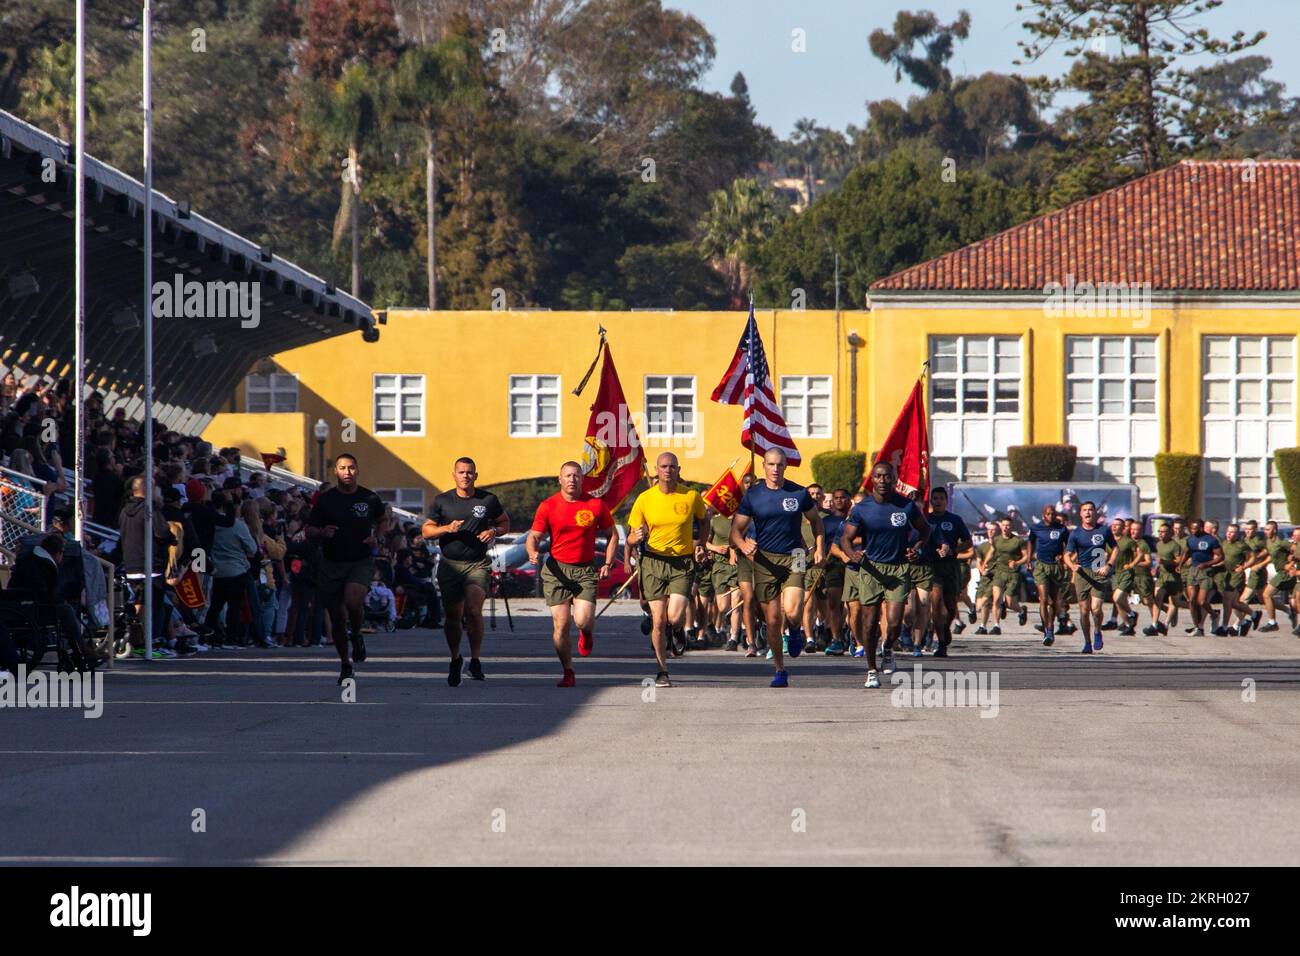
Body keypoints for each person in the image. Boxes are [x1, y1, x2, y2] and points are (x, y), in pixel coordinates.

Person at [730, 448, 824, 688]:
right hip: (764, 559)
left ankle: (795, 629)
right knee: (772, 620)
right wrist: (743, 544)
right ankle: (780, 670)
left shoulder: (799, 492)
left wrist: (820, 547)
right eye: (771, 464)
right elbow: (735, 531)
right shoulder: (753, 495)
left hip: (796, 555)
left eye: (779, 465)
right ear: (764, 466)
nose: (775, 469)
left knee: (792, 612)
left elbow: (816, 522)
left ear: (785, 466)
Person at [839, 461, 929, 689]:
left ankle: (888, 647)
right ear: (873, 479)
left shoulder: (906, 506)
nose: (882, 481)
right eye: (878, 476)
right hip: (871, 569)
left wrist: (916, 548)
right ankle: (871, 670)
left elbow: (926, 530)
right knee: (869, 624)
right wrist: (852, 554)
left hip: (898, 569)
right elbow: (845, 539)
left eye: (887, 477)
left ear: (894, 479)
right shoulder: (862, 509)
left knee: (895, 622)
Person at [525, 461, 617, 687]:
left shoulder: (595, 504)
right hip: (556, 570)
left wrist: (607, 562)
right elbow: (533, 536)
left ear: (582, 479)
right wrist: (532, 551)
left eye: (576, 475)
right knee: (561, 626)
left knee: (583, 620)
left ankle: (586, 633)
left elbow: (612, 534)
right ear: (560, 479)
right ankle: (568, 671)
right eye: (567, 475)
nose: (572, 479)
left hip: (585, 570)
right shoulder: (548, 505)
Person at [422, 457, 509, 686]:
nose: (465, 476)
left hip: (477, 563)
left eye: (470, 472)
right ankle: (455, 658)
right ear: (454, 475)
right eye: (461, 472)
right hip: (450, 564)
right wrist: (446, 528)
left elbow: (504, 523)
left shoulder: (488, 499)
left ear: (476, 476)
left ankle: (476, 659)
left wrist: (493, 531)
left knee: (473, 610)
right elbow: (426, 531)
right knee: (452, 618)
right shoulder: (442, 500)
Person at [627, 452, 708, 688]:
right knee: (659, 621)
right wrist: (636, 536)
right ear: (656, 469)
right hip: (653, 562)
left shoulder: (691, 496)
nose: (668, 470)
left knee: (674, 616)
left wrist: (700, 545)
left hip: (681, 563)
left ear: (678, 469)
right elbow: (631, 536)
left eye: (672, 466)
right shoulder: (644, 499)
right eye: (663, 466)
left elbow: (704, 521)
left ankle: (677, 629)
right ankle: (662, 670)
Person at [306, 454, 384, 684]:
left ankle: (357, 633)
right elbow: (309, 529)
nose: (347, 472)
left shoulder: (369, 497)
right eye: (342, 468)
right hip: (331, 563)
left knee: (352, 600)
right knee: (337, 619)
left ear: (357, 470)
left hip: (360, 560)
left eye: (351, 467)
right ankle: (345, 664)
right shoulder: (325, 500)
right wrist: (322, 533)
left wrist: (376, 537)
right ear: (336, 472)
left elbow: (383, 520)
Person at [920, 486, 971, 657]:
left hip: (950, 566)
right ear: (931, 500)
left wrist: (954, 550)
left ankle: (945, 628)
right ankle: (941, 642)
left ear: (946, 501)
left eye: (941, 498)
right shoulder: (925, 519)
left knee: (950, 607)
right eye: (935, 498)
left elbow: (968, 542)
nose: (938, 501)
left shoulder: (955, 519)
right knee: (935, 602)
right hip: (932, 566)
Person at [1063, 501, 1117, 654]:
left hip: (1099, 572)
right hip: (1082, 574)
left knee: (1096, 608)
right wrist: (1072, 566)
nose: (1087, 513)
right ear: (1080, 514)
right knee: (1084, 611)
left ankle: (1097, 631)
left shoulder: (1104, 531)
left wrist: (1109, 565)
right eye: (1085, 510)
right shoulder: (1076, 533)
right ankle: (1087, 642)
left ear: (1095, 513)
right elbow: (1067, 555)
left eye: (1090, 510)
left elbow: (1115, 549)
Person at [1028, 504, 1070, 646]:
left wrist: (1063, 555)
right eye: (1048, 514)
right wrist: (1028, 559)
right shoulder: (1036, 528)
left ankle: (1051, 629)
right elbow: (1030, 542)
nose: (1051, 516)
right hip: (1041, 566)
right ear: (1043, 515)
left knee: (1052, 601)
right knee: (1043, 599)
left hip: (1056, 567)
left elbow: (1070, 545)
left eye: (1053, 514)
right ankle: (1046, 630)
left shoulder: (1061, 528)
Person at [819, 488, 852, 656]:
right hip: (832, 564)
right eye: (836, 498)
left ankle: (854, 636)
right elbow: (822, 542)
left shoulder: (855, 519)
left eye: (843, 498)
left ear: (849, 500)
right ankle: (836, 638)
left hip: (852, 563)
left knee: (853, 604)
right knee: (834, 603)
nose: (839, 500)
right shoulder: (826, 521)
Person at [1179, 519, 1223, 637]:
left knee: (1202, 601)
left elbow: (1220, 556)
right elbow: (1187, 553)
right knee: (1191, 600)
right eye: (1192, 528)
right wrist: (1180, 565)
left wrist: (1208, 563)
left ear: (1202, 527)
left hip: (1205, 571)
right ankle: (1197, 628)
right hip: (1193, 571)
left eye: (1196, 528)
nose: (1194, 530)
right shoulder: (1190, 539)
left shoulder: (1211, 540)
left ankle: (1214, 615)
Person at [988, 516, 1029, 634]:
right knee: (996, 599)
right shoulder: (996, 540)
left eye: (1008, 525)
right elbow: (991, 552)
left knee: (1010, 602)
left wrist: (1017, 563)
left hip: (1013, 573)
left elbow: (1026, 556)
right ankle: (996, 626)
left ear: (1011, 527)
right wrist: (985, 562)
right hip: (999, 572)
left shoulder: (1018, 541)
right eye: (1003, 525)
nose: (1005, 527)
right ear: (1000, 526)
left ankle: (1021, 611)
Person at [1257, 521, 1293, 632]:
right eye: (1265, 529)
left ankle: (1272, 623)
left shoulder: (1281, 542)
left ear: (1275, 530)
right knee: (1269, 596)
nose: (1265, 531)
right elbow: (1269, 552)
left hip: (1285, 573)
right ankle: (1289, 612)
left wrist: (1291, 561)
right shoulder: (1268, 541)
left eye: (1268, 529)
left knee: (1266, 595)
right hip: (1279, 573)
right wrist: (1258, 559)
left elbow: (1295, 550)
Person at [1151, 521, 1185, 635]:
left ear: (1170, 533)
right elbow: (1159, 559)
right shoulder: (1158, 544)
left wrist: (1165, 562)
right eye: (1159, 532)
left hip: (1173, 577)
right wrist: (1155, 568)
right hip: (1161, 576)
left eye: (1163, 532)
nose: (1161, 534)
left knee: (1175, 602)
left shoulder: (1175, 545)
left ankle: (1166, 624)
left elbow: (1178, 561)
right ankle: (1154, 624)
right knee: (1157, 599)